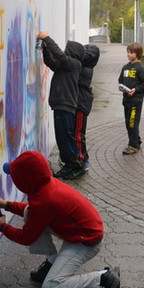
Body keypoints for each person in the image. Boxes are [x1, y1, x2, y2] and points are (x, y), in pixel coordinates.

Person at [0, 150, 121, 288]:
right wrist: (6, 205)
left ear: (25, 181)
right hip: (77, 232)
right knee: (28, 213)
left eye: (15, 176)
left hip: (86, 242)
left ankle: (104, 277)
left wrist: (2, 227)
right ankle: (51, 264)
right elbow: (33, 212)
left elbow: (26, 237)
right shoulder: (44, 186)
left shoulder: (44, 199)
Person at [36, 31, 85, 180]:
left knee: (67, 138)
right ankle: (68, 165)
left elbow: (59, 54)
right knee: (61, 139)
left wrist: (47, 38)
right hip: (59, 105)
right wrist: (45, 48)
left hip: (66, 106)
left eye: (66, 49)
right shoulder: (64, 66)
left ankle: (77, 165)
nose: (63, 50)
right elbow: (51, 62)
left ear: (72, 53)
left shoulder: (74, 64)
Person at [117, 42, 144, 155]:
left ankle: (133, 145)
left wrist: (136, 90)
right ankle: (136, 140)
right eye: (128, 52)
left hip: (136, 101)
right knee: (128, 123)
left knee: (132, 123)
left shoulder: (140, 68)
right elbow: (121, 80)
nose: (129, 54)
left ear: (138, 54)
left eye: (131, 52)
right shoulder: (125, 67)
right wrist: (122, 87)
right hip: (126, 100)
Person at [75, 44, 100, 169]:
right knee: (78, 133)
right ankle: (81, 157)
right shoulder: (86, 66)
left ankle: (82, 159)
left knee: (78, 134)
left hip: (81, 104)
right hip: (81, 102)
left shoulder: (84, 69)